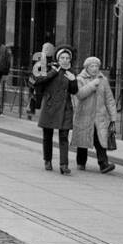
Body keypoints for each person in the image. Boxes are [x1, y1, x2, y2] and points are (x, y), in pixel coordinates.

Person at [33, 45, 78, 174]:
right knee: (47, 135)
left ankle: (64, 165)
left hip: (65, 108)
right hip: (50, 105)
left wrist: (73, 81)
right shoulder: (49, 68)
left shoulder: (71, 72)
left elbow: (74, 91)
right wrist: (53, 72)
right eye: (62, 57)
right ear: (58, 59)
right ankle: (47, 160)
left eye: (67, 58)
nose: (65, 60)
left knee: (64, 137)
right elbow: (37, 81)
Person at [71, 56, 117, 174]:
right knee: (84, 140)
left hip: (99, 117)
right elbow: (79, 94)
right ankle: (81, 162)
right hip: (84, 115)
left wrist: (113, 117)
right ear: (87, 67)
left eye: (97, 66)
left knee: (100, 140)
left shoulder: (103, 79)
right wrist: (92, 85)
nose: (95, 68)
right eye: (92, 66)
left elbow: (110, 100)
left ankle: (103, 164)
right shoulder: (80, 79)